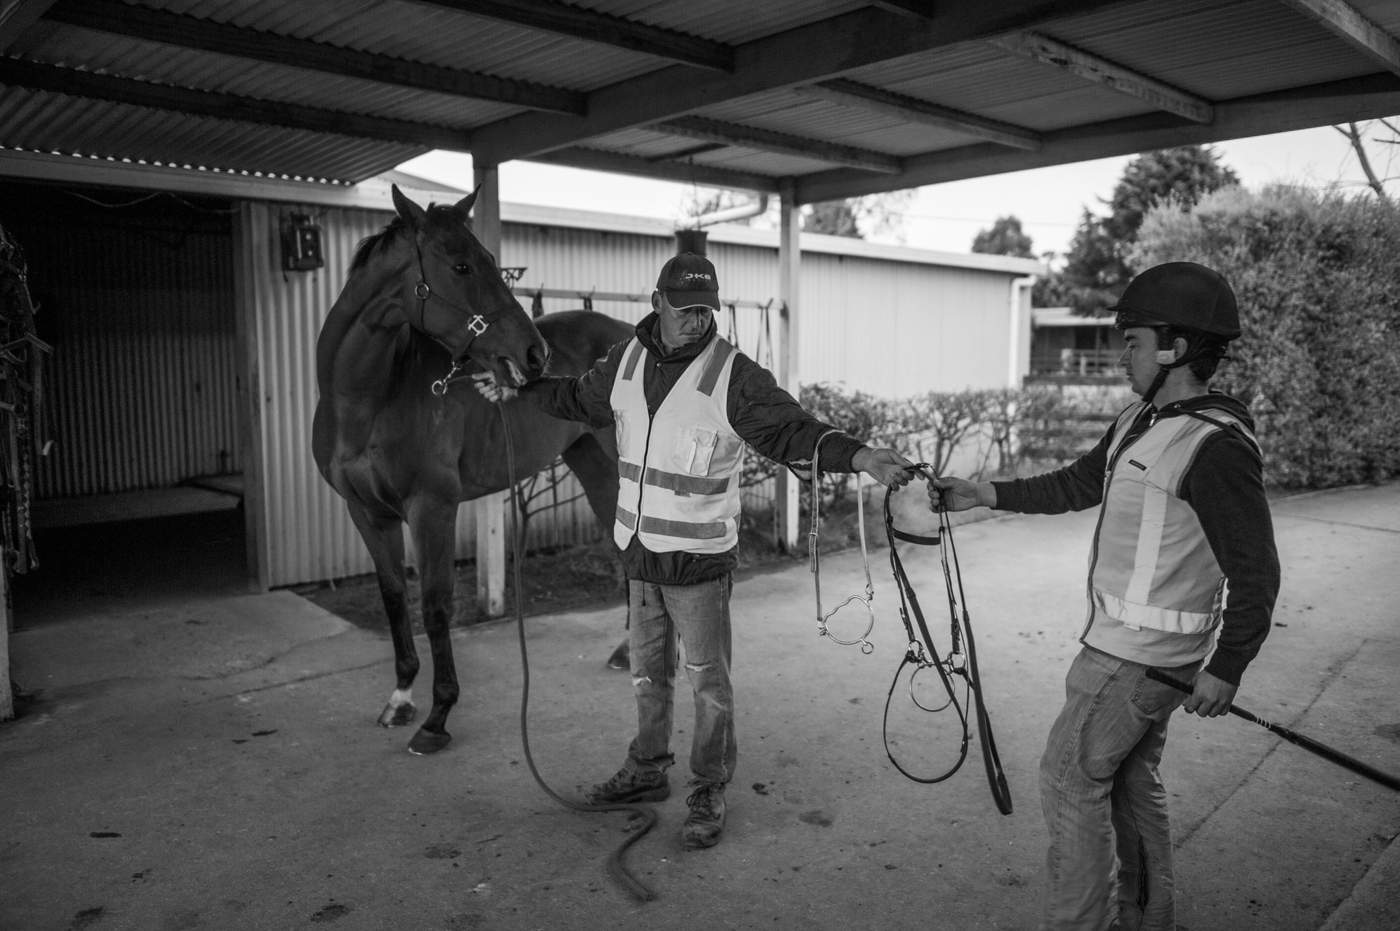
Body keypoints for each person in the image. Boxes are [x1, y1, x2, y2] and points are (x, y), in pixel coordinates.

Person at [473, 250, 914, 849]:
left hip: (698, 562)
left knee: (709, 682)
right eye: (684, 309)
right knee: (647, 675)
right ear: (658, 303)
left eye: (705, 310)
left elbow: (793, 431)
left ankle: (708, 786)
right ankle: (647, 768)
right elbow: (576, 399)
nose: (696, 320)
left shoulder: (734, 375)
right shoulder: (625, 359)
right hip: (639, 553)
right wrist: (520, 387)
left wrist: (860, 456)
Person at [927, 261, 1280, 930]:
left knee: (1067, 780)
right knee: (1126, 781)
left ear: (1176, 348)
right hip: (1141, 655)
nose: (1122, 356)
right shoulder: (1143, 420)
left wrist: (1229, 665)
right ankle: (1147, 916)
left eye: (1133, 342)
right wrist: (983, 493)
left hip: (1135, 660)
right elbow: (1077, 483)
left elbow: (1257, 570)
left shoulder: (1214, 447)